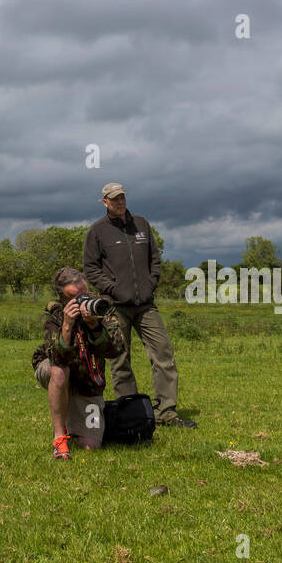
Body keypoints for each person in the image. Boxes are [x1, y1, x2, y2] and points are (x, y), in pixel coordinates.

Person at [83, 182, 196, 428]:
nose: (120, 202)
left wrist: (151, 282)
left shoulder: (141, 224)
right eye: (114, 199)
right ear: (105, 202)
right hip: (115, 306)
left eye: (122, 197)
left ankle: (167, 413)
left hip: (146, 305)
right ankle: (133, 415)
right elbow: (90, 268)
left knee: (163, 353)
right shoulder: (97, 231)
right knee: (120, 359)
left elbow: (155, 258)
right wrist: (112, 288)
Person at [31, 266, 124, 458]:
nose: (84, 300)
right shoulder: (54, 316)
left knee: (90, 446)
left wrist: (94, 325)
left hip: (88, 382)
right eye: (76, 297)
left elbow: (115, 349)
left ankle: (73, 421)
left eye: (85, 293)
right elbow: (57, 357)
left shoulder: (102, 307)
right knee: (59, 370)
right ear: (63, 299)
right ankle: (59, 438)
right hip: (54, 370)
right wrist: (67, 325)